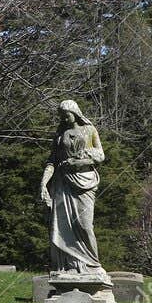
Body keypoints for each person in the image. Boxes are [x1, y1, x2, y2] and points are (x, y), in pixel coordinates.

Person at [39, 100, 109, 279]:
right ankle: (69, 266)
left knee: (85, 225)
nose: (64, 118)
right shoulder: (60, 134)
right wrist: (43, 184)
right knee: (63, 226)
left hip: (85, 182)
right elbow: (51, 162)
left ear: (76, 112)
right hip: (63, 183)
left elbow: (100, 155)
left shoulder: (89, 130)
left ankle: (93, 265)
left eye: (66, 114)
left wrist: (81, 162)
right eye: (61, 115)